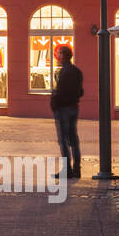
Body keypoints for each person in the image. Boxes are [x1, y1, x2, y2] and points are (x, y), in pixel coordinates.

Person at [50, 44, 84, 178]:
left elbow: (60, 91)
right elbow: (81, 91)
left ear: (63, 56)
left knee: (63, 140)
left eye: (58, 53)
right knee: (74, 139)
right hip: (74, 107)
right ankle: (77, 169)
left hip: (63, 109)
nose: (57, 56)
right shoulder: (77, 71)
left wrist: (54, 103)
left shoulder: (64, 71)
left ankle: (67, 171)